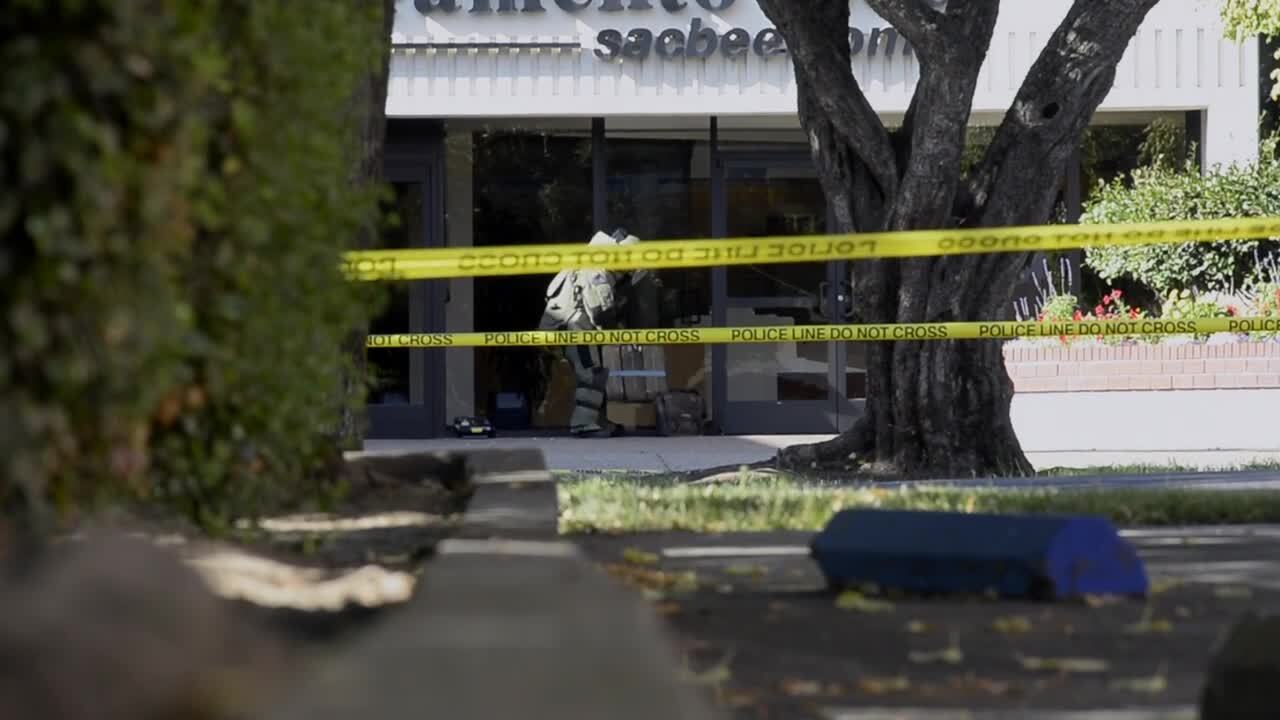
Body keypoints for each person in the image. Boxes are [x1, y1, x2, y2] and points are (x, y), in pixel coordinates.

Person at [539, 227, 654, 437]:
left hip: (573, 327)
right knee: (591, 375)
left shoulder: (590, 260)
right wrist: (620, 335)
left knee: (596, 371)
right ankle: (583, 425)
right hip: (574, 329)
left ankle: (597, 421)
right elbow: (600, 312)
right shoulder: (597, 269)